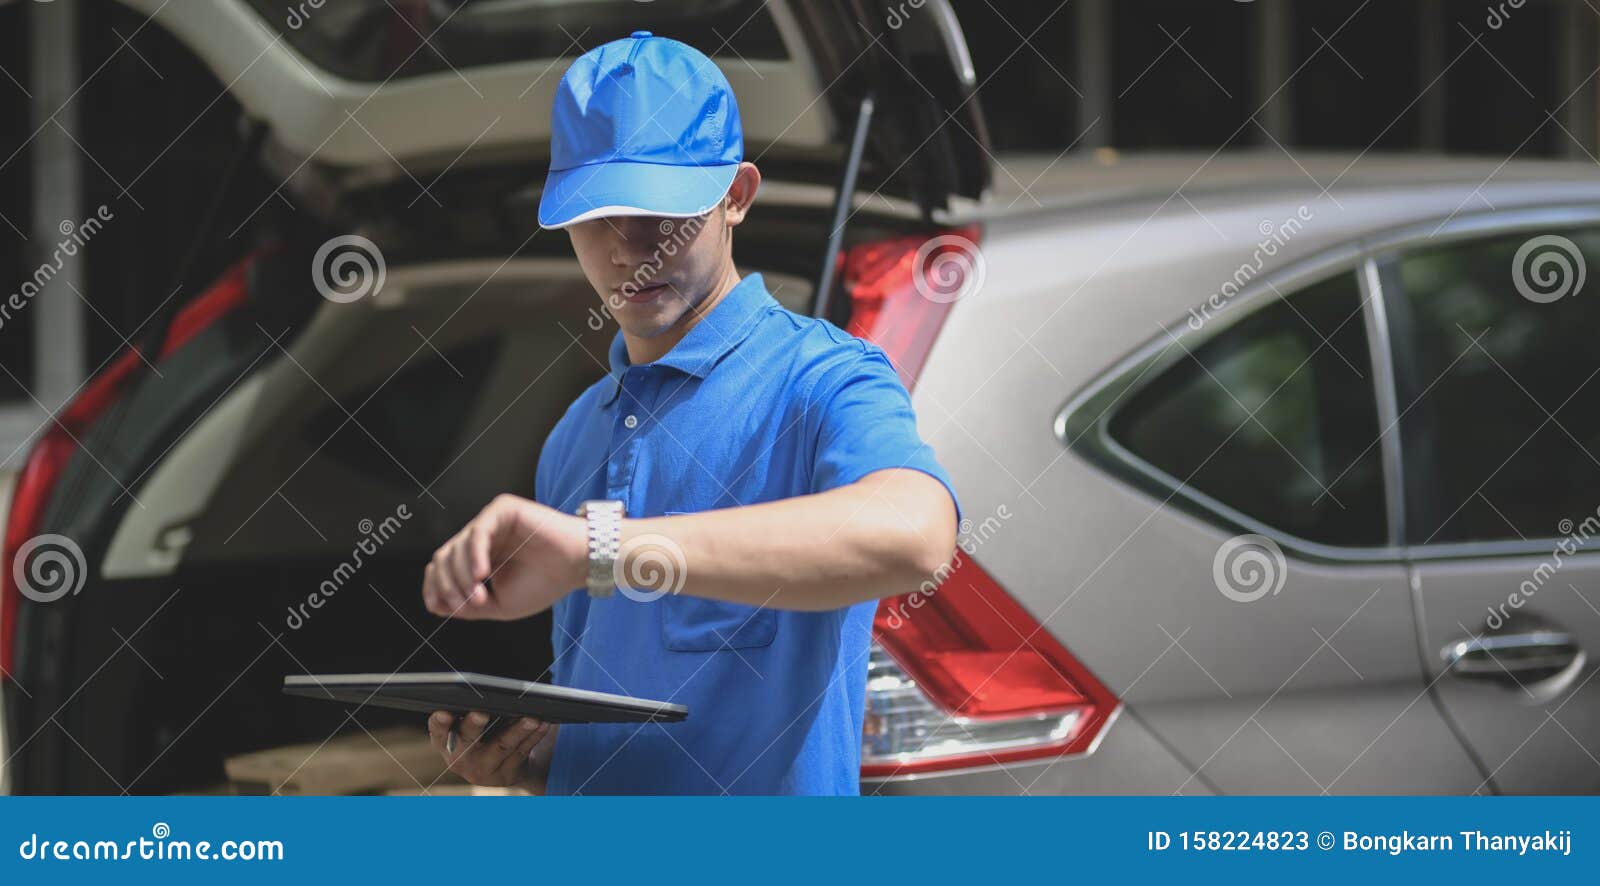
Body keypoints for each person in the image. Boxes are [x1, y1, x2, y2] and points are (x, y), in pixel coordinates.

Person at [422, 30, 959, 795]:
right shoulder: (575, 435)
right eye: (598, 214)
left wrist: (599, 549)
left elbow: (916, 536)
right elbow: (627, 729)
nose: (627, 248)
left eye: (660, 212)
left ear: (736, 195)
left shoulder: (824, 378)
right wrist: (530, 763)